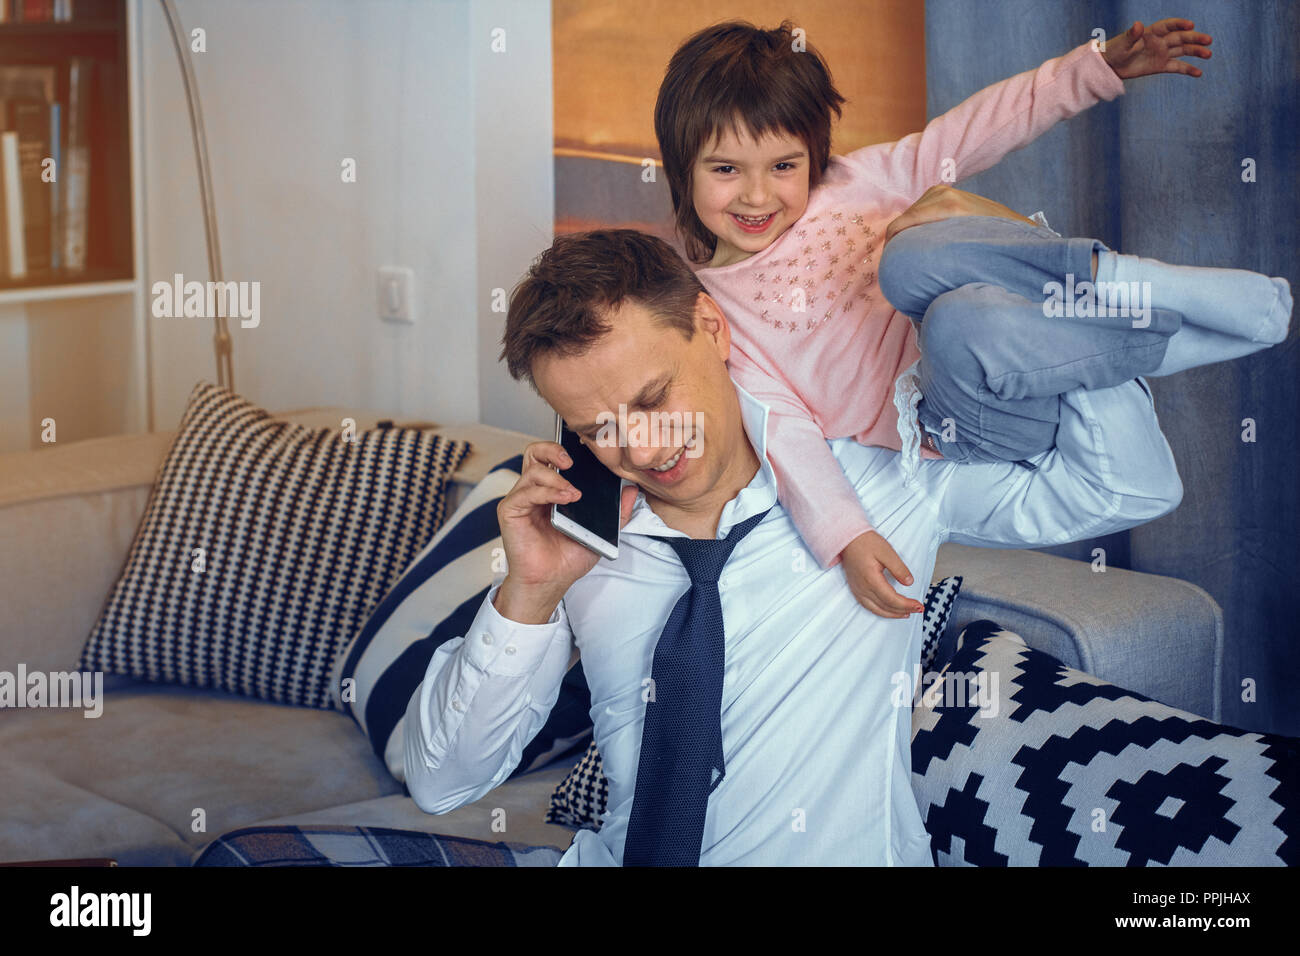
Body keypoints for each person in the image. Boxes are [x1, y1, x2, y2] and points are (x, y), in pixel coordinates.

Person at [403, 224, 1185, 866]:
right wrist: (530, 593)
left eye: (653, 398)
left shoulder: (880, 482)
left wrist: (1064, 327)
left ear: (711, 327)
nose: (640, 447)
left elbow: (1130, 489)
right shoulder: (585, 540)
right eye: (598, 429)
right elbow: (441, 784)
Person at [652, 18, 1289, 620]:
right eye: (727, 170)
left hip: (1003, 328)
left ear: (814, 156)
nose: (758, 195)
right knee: (951, 324)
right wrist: (847, 537)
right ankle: (1169, 332)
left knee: (917, 262)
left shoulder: (858, 180)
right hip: (965, 420)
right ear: (684, 170)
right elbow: (785, 434)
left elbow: (974, 130)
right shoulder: (717, 312)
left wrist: (1096, 68)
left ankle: (1123, 284)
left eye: (783, 166)